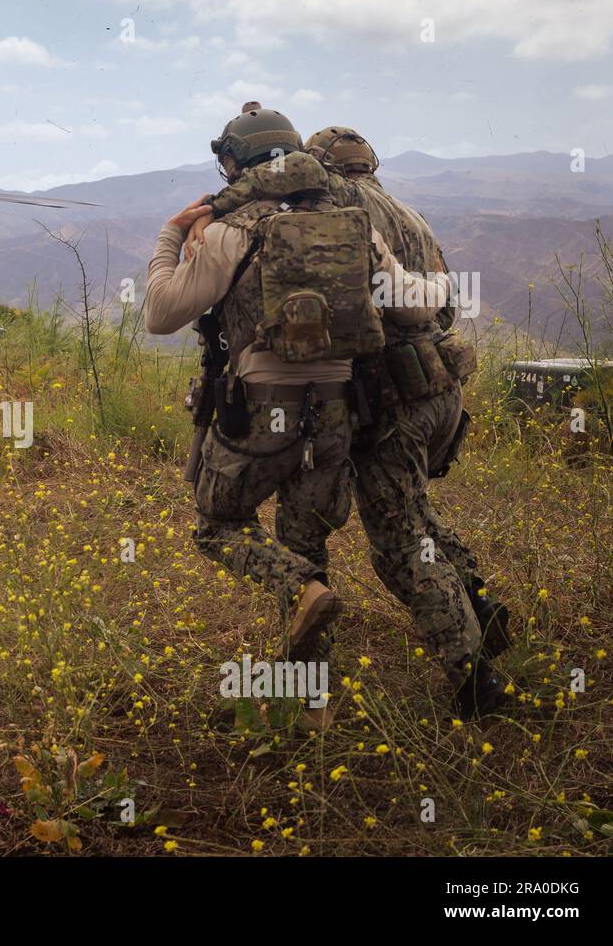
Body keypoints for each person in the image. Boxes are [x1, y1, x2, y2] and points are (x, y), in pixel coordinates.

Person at [189, 125, 509, 718]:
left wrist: (210, 209)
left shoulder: (338, 199)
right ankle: (481, 605)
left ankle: (474, 681)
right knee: (414, 510)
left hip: (391, 397)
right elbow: (437, 298)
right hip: (443, 388)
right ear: (373, 162)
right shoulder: (413, 217)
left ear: (325, 164)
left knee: (399, 542)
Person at [145, 102, 450, 680]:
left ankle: (302, 591)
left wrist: (169, 237)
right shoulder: (353, 226)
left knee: (217, 526)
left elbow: (160, 313)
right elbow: (411, 303)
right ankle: (309, 697)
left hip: (259, 409)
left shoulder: (230, 231)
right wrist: (440, 282)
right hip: (335, 412)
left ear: (236, 164)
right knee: (306, 540)